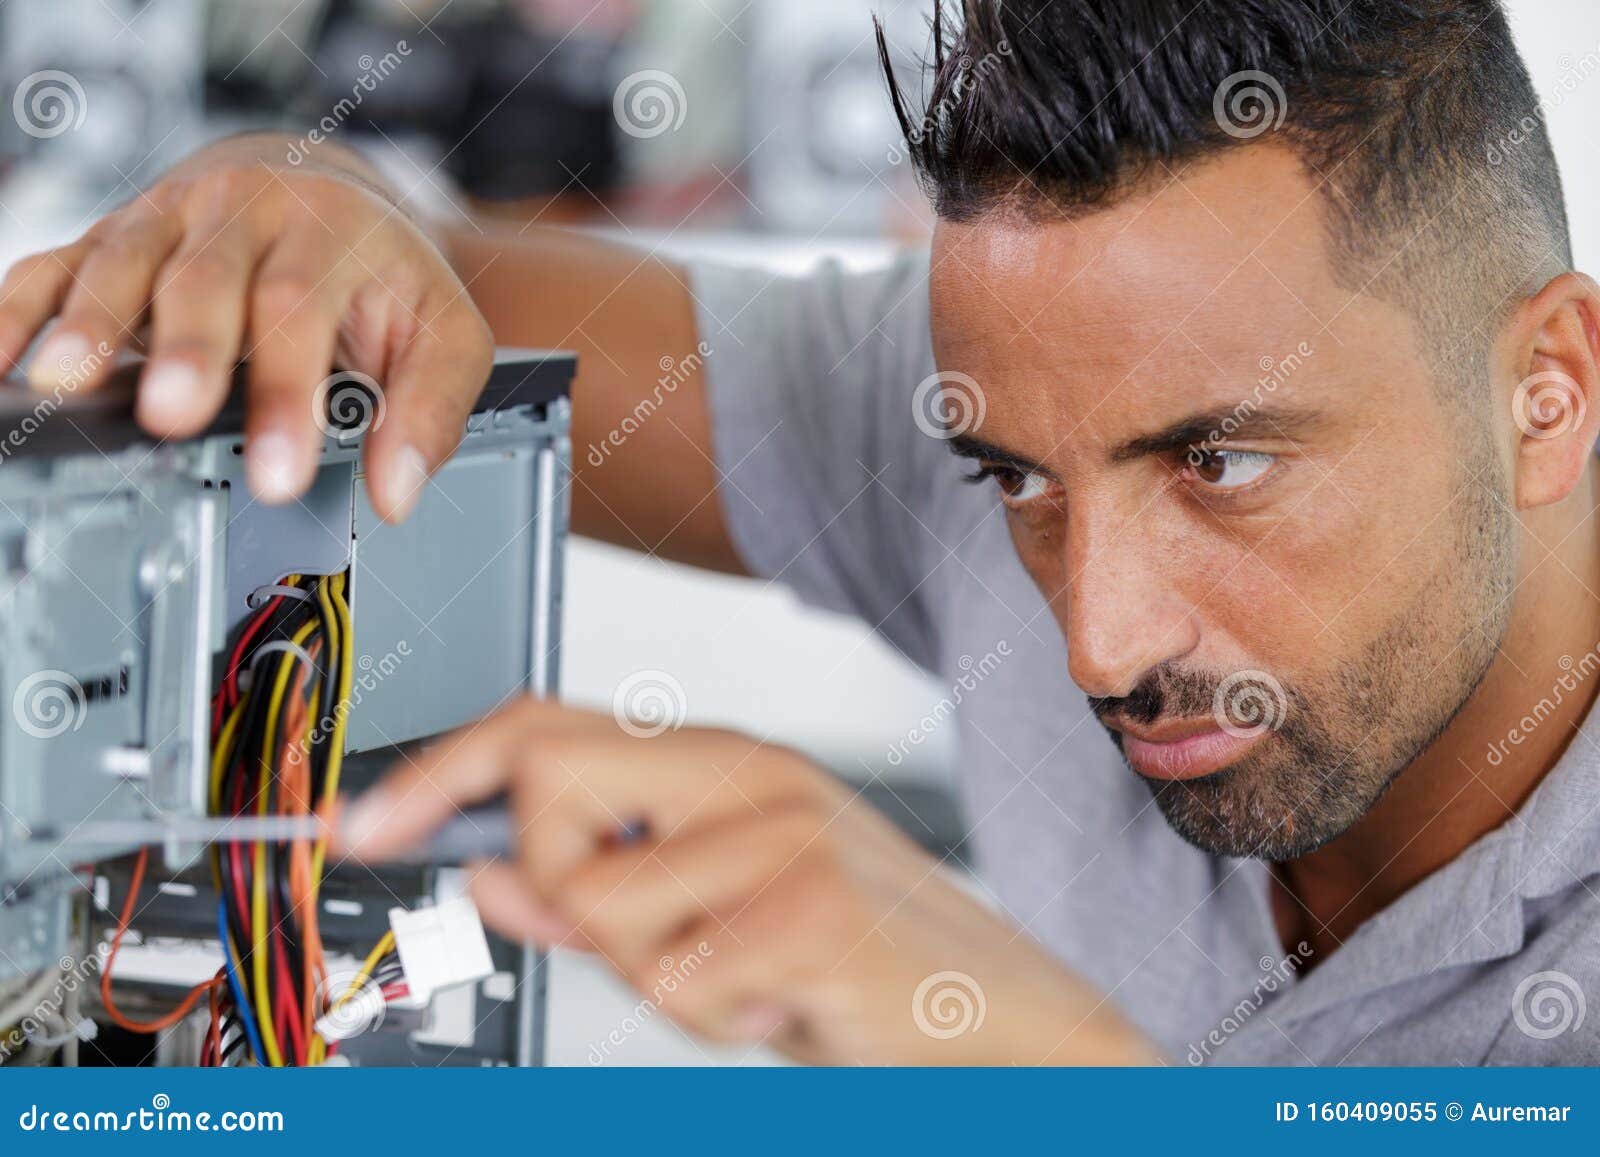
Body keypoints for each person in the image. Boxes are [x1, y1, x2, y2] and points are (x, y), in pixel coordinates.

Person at [4, 0, 1598, 1065]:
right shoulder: (1027, 377)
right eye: (1013, 481)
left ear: (1549, 391)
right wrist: (276, 195)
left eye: (1223, 464)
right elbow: (415, 302)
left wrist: (1039, 1070)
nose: (1098, 643)